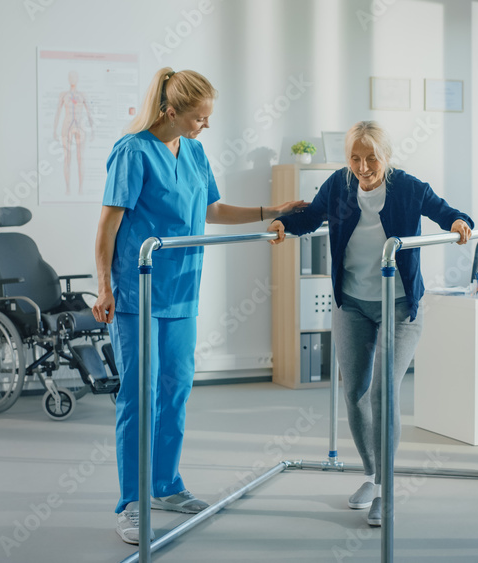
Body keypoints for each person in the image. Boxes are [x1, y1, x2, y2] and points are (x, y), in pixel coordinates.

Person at [92, 66, 306, 545]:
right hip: (137, 292)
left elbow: (211, 210)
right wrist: (104, 287)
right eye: (198, 117)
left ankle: (166, 486)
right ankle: (131, 502)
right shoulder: (132, 151)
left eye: (207, 117)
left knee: (175, 391)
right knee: (139, 396)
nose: (205, 125)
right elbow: (107, 225)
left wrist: (271, 211)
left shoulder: (193, 151)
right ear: (171, 111)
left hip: (182, 291)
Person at [268, 121, 473, 527]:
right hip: (353, 304)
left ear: (387, 156)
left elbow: (446, 212)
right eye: (355, 159)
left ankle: (386, 489)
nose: (363, 167)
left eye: (371, 158)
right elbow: (310, 217)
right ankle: (372, 476)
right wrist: (282, 224)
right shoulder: (339, 186)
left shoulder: (408, 187)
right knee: (355, 392)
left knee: (383, 393)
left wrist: (458, 223)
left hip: (399, 305)